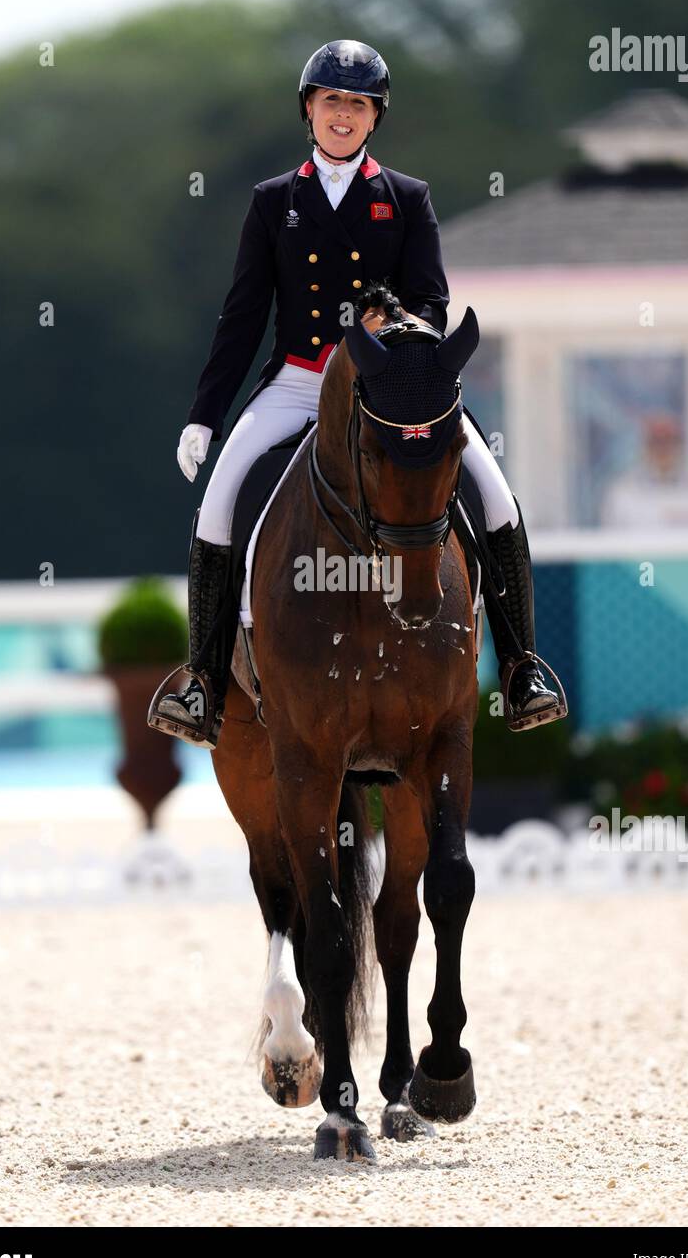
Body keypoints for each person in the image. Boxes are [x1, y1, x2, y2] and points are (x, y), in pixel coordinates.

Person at [150, 40, 565, 748]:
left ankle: (523, 666)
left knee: (495, 497)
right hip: (301, 380)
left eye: (357, 104)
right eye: (331, 101)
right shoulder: (272, 202)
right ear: (308, 110)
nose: (343, 115)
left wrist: (399, 329)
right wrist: (204, 417)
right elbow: (243, 315)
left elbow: (433, 300)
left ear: (374, 118)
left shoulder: (405, 198)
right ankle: (203, 682)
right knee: (216, 509)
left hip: (390, 384)